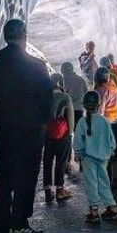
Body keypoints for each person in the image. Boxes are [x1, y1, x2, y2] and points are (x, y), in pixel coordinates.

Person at [0, 19, 54, 233]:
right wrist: (41, 121)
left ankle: (2, 228)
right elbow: (47, 101)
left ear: (5, 37)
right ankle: (19, 223)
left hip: (7, 130)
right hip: (31, 130)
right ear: (24, 37)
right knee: (27, 176)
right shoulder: (37, 66)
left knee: (4, 176)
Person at [74, 90, 117, 223]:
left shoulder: (82, 122)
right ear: (98, 105)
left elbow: (77, 141)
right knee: (104, 182)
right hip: (103, 158)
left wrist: (78, 154)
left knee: (91, 183)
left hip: (87, 157)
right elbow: (112, 142)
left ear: (84, 105)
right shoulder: (105, 121)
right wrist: (110, 152)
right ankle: (112, 207)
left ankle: (94, 211)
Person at [43, 73, 74, 203]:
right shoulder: (65, 97)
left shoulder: (44, 97)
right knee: (61, 162)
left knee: (47, 161)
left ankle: (47, 191)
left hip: (47, 134)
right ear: (61, 83)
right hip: (63, 135)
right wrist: (70, 133)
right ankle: (60, 190)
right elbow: (70, 118)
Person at [60, 62, 89, 126]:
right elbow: (86, 93)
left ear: (63, 71)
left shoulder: (63, 81)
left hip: (67, 109)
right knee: (78, 128)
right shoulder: (81, 79)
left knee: (67, 129)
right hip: (79, 109)